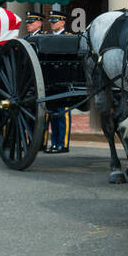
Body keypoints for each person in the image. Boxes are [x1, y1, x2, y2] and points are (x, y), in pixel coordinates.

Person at [44, 10, 72, 153]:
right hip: (51, 79)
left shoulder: (68, 37)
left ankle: (63, 143)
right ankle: (54, 143)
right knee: (53, 114)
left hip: (64, 79)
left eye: (55, 21)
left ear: (62, 22)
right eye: (51, 21)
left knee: (62, 113)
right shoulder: (47, 38)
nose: (52, 24)